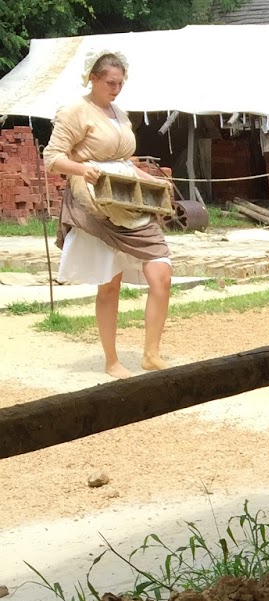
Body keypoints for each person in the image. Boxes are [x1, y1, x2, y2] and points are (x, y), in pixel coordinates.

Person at [44, 51, 173, 379]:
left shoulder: (119, 113)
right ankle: (112, 360)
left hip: (128, 197)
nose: (116, 89)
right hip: (94, 201)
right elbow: (53, 157)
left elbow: (125, 159)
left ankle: (151, 353)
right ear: (93, 79)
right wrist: (82, 169)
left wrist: (148, 178)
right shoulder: (75, 111)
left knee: (161, 272)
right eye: (110, 83)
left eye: (120, 83)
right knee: (110, 283)